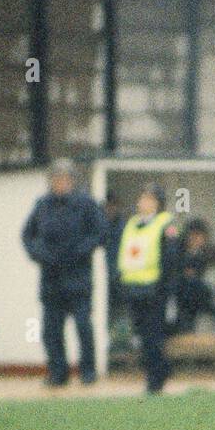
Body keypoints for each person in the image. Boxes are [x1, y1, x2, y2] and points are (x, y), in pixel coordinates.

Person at [21, 159, 106, 386]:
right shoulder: (42, 204)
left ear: (72, 181)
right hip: (51, 280)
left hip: (78, 279)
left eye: (64, 179)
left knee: (82, 326)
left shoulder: (86, 203)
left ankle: (88, 372)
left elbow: (99, 233)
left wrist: (79, 252)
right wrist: (39, 254)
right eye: (55, 179)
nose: (60, 183)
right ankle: (58, 374)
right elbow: (27, 236)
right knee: (51, 330)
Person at [115, 182, 179, 394]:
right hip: (133, 288)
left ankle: (155, 380)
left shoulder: (166, 224)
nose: (144, 202)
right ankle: (162, 371)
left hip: (154, 291)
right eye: (143, 198)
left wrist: (163, 288)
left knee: (153, 337)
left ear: (158, 204)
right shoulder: (131, 224)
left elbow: (170, 259)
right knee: (142, 337)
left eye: (150, 199)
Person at [173, 217, 215, 334]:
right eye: (193, 236)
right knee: (201, 291)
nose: (196, 240)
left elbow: (196, 274)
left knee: (199, 293)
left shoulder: (201, 255)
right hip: (177, 291)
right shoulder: (177, 251)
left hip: (192, 295)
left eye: (200, 237)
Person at [102, 189, 134, 359]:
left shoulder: (125, 228)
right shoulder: (98, 226)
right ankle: (109, 348)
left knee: (121, 313)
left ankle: (122, 347)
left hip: (121, 279)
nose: (110, 210)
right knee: (104, 313)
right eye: (107, 206)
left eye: (113, 206)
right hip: (102, 280)